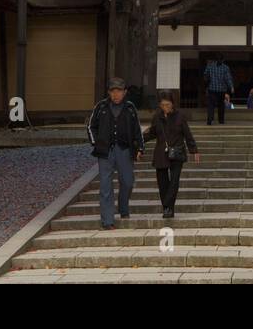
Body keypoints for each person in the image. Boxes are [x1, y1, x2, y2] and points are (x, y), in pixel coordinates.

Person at [86, 77, 144, 229]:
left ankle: (123, 206)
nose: (116, 94)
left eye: (119, 91)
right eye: (113, 91)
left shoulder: (130, 108)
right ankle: (107, 220)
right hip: (105, 151)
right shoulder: (101, 106)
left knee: (128, 181)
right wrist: (96, 142)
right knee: (105, 185)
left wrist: (140, 148)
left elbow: (138, 129)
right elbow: (91, 126)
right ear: (109, 92)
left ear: (124, 93)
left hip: (124, 149)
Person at [143, 91, 200, 219]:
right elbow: (152, 133)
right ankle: (167, 208)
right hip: (161, 153)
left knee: (174, 181)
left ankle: (168, 206)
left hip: (177, 152)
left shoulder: (180, 116)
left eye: (168, 104)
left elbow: (187, 133)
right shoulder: (157, 117)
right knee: (162, 182)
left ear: (173, 104)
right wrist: (139, 144)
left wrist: (194, 149)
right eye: (163, 105)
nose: (165, 107)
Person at [202, 57, 234, 126]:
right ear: (223, 60)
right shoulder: (225, 67)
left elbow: (205, 75)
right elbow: (228, 78)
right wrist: (231, 87)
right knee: (221, 106)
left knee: (211, 105)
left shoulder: (210, 66)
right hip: (221, 90)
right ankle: (221, 121)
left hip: (212, 89)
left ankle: (210, 120)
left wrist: (207, 82)